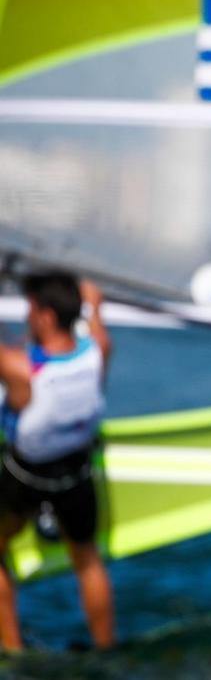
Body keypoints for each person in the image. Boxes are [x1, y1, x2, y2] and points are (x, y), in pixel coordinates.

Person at [0, 272, 114, 651]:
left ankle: (14, 654)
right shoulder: (98, 350)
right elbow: (93, 317)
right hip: (76, 473)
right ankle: (105, 648)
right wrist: (93, 303)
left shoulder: (20, 369)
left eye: (30, 310)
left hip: (26, 478)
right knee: (88, 560)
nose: (26, 318)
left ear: (46, 316)